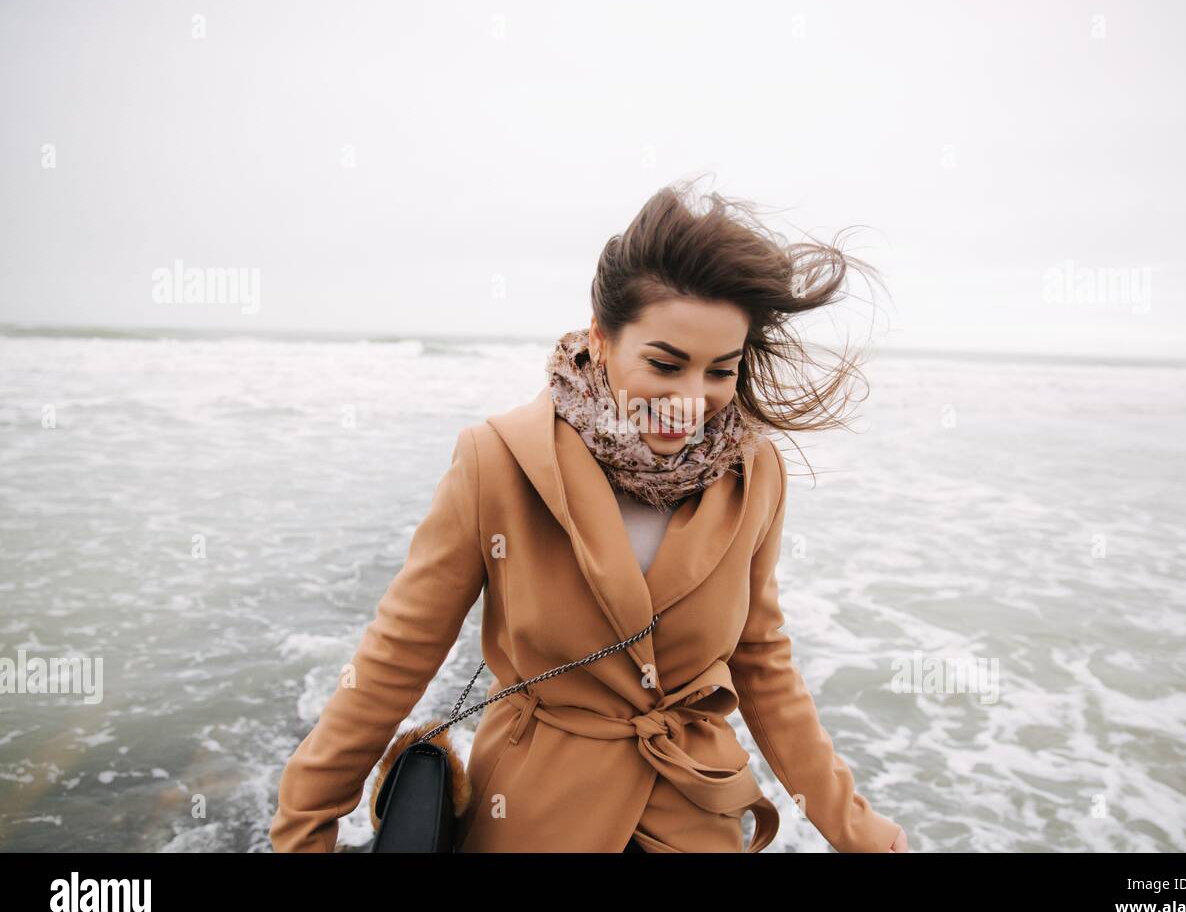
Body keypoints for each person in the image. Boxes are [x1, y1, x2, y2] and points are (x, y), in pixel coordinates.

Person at [269, 179, 909, 853]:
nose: (693, 401)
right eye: (666, 363)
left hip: (694, 817)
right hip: (530, 816)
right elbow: (397, 655)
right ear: (601, 340)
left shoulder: (755, 474)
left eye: (721, 370)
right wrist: (303, 827)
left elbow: (763, 664)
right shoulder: (497, 461)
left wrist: (855, 827)